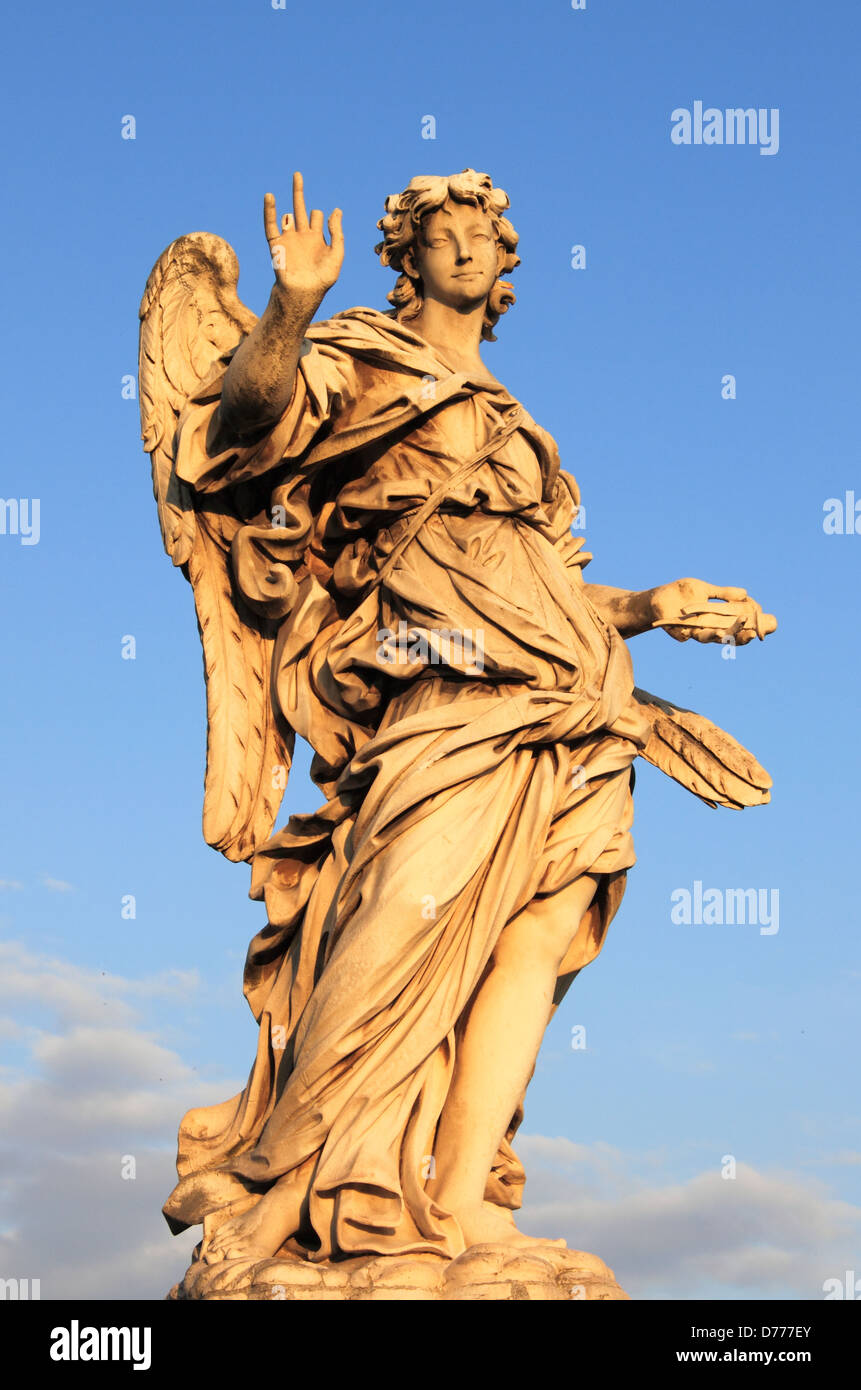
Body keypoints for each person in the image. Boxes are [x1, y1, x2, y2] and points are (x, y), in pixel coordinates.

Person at [160, 169, 775, 1265]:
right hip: (437, 689)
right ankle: (321, 1180)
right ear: (409, 255)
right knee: (400, 922)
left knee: (533, 939)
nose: (469, 248)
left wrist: (651, 607)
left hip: (575, 702)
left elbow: (535, 579)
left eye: (486, 234)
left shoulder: (520, 427)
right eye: (445, 232)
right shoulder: (364, 354)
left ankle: (455, 1201)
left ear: (507, 264)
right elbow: (246, 421)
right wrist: (291, 304)